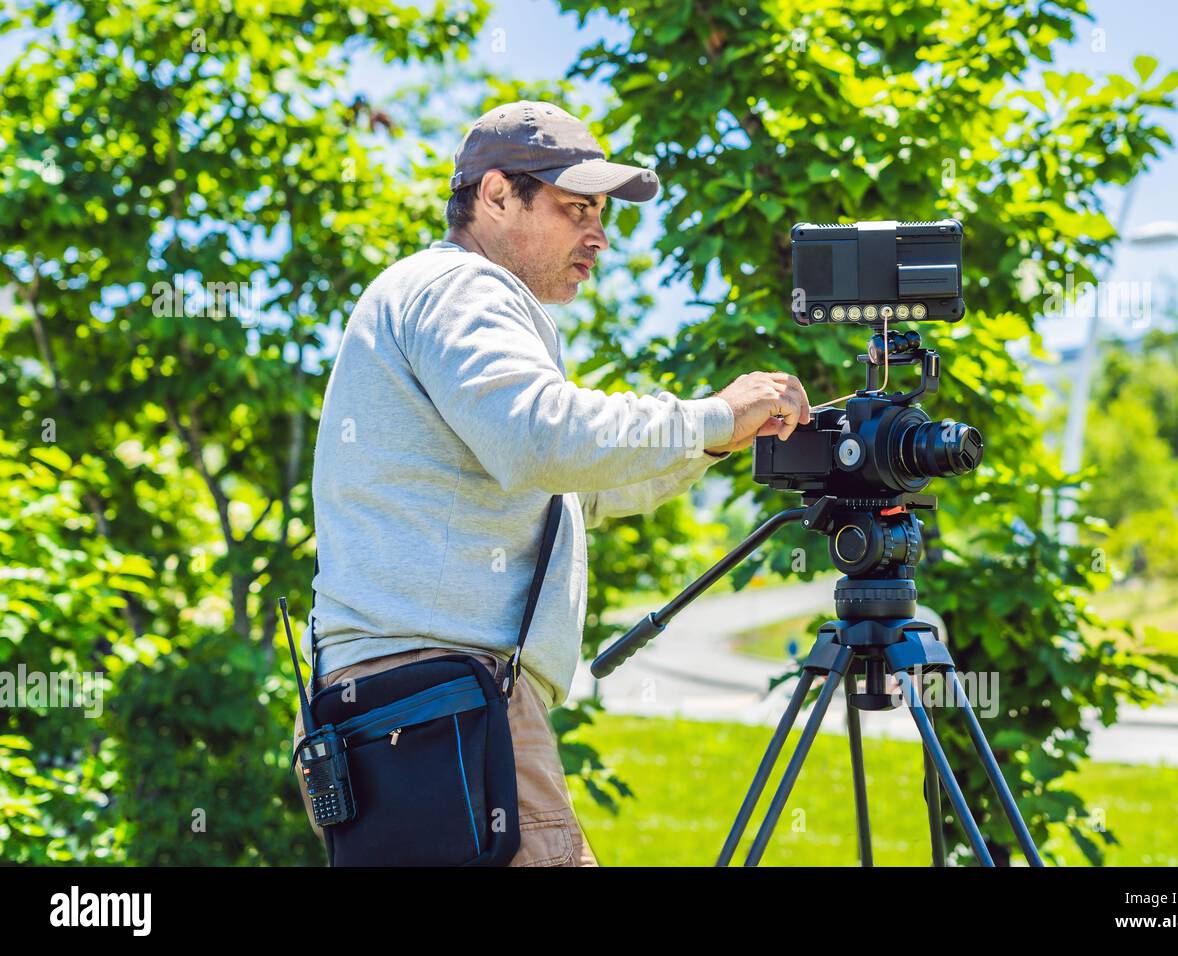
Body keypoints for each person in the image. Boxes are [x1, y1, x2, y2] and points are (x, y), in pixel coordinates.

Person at [292, 100, 811, 866]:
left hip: (407, 706)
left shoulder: (429, 296)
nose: (598, 237)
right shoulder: (463, 287)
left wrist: (718, 440)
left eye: (601, 215)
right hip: (448, 702)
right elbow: (543, 436)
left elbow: (572, 489)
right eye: (577, 210)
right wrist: (707, 416)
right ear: (497, 195)